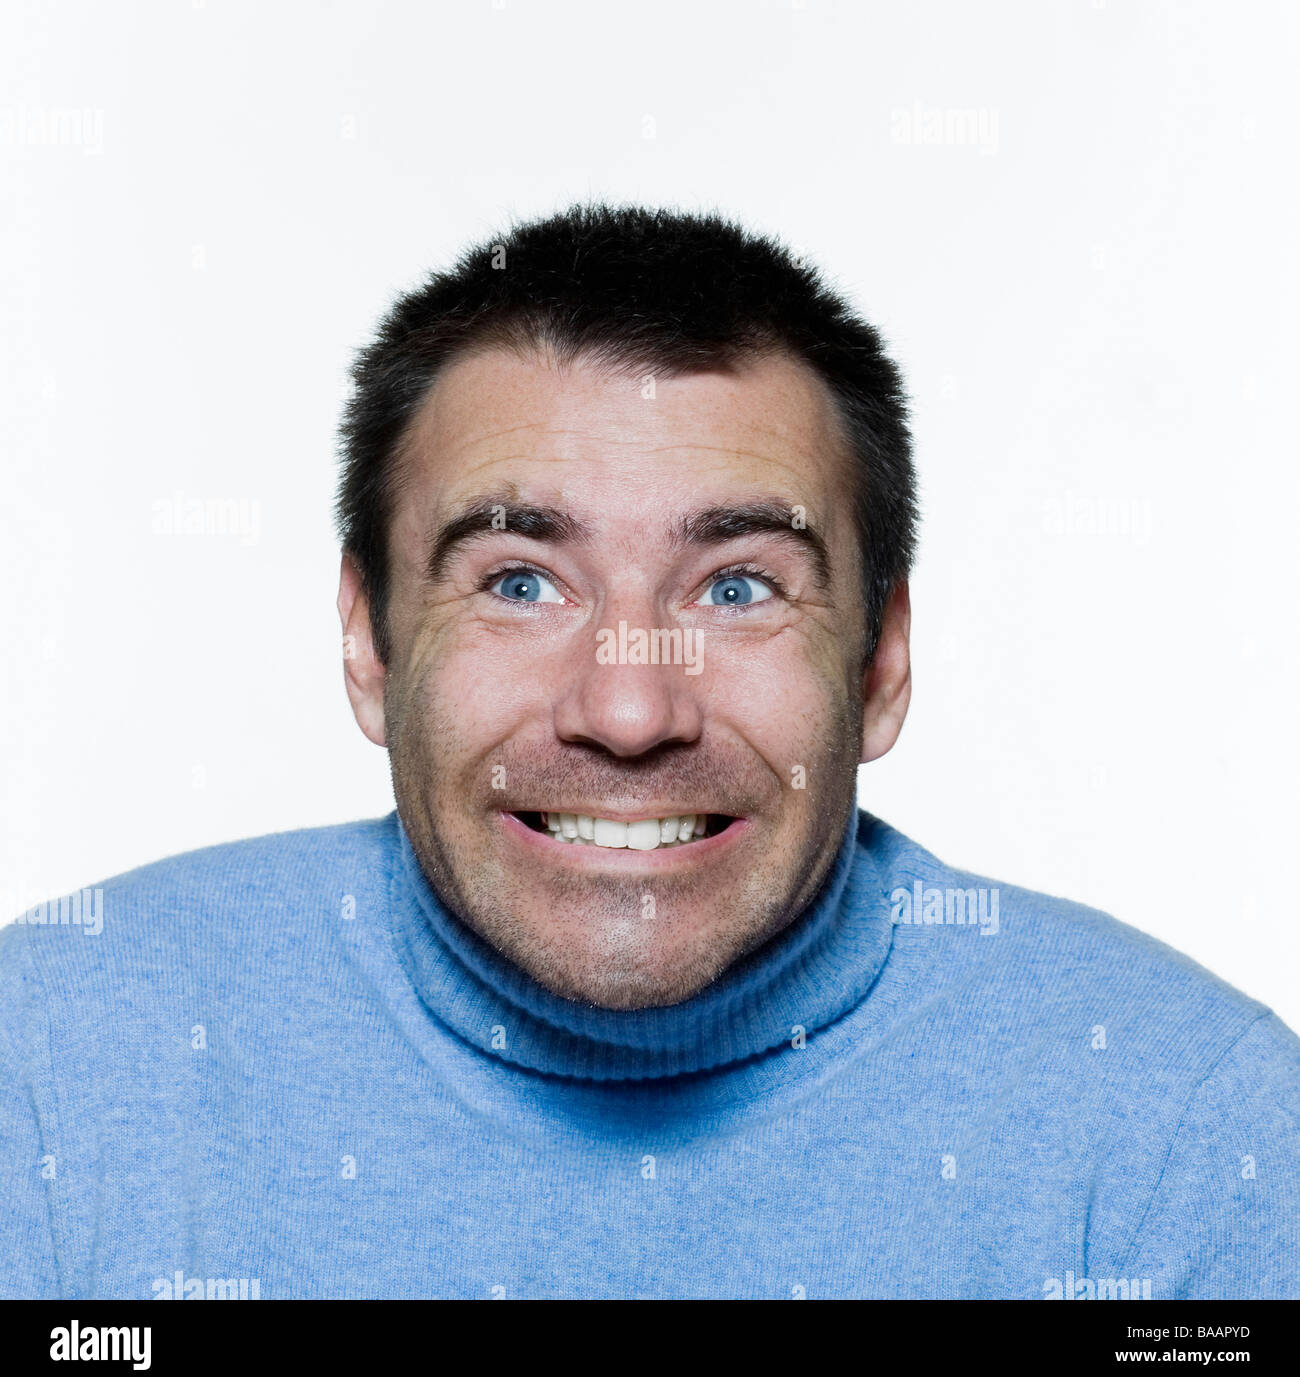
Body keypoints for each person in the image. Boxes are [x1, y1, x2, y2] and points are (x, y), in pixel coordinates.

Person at [3, 204, 1296, 1299]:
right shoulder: (53, 1061)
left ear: (883, 662)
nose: (629, 712)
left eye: (737, 587)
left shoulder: (1188, 1132)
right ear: (369, 643)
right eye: (518, 580)